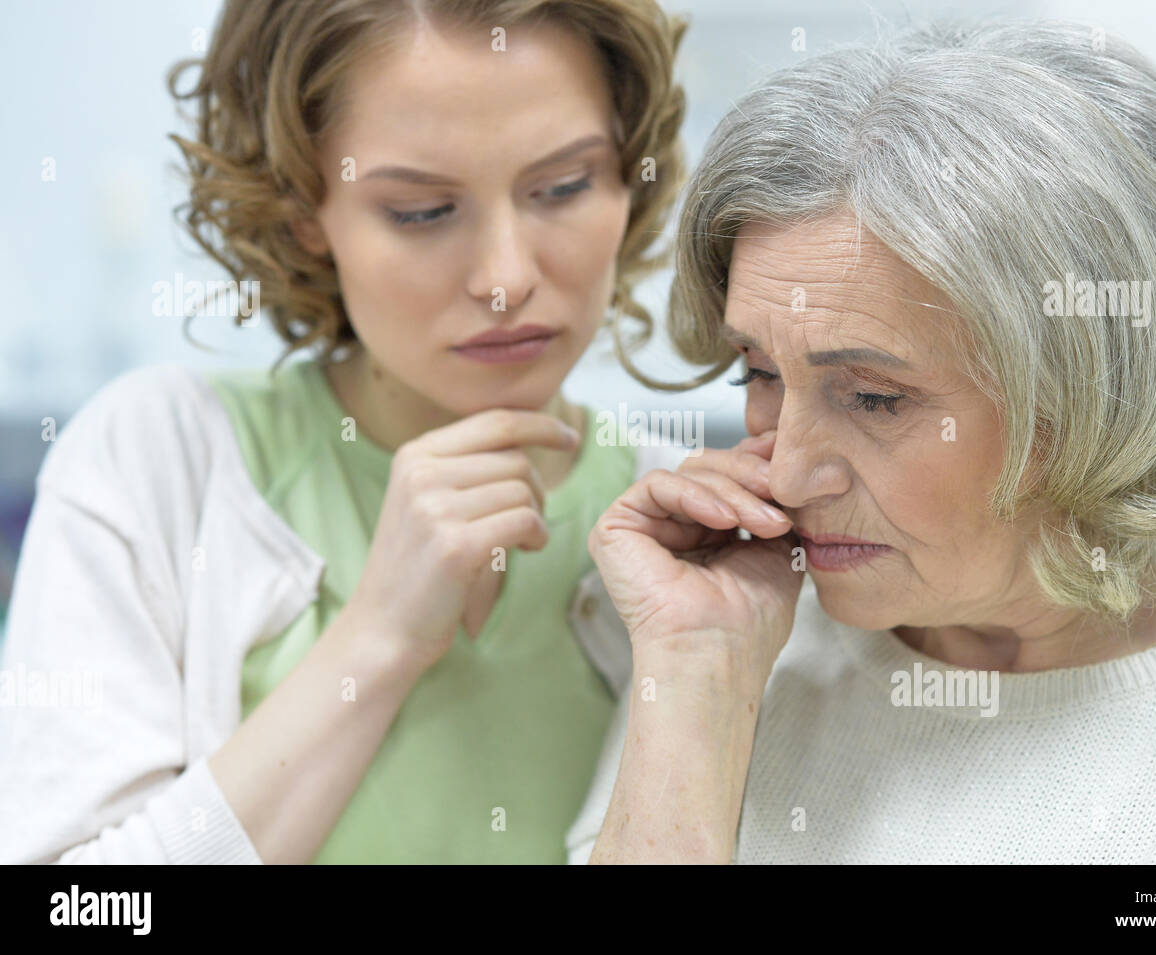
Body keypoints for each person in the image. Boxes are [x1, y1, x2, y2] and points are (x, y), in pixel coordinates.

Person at [565, 20, 1156, 864]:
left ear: (1099, 394)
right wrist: (696, 677)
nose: (789, 472)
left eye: (875, 399)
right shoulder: (741, 628)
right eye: (758, 374)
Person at [0, 0, 687, 864]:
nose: (507, 277)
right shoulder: (156, 462)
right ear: (301, 212)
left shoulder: (685, 537)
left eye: (564, 187)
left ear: (633, 176)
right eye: (422, 210)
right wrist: (381, 635)